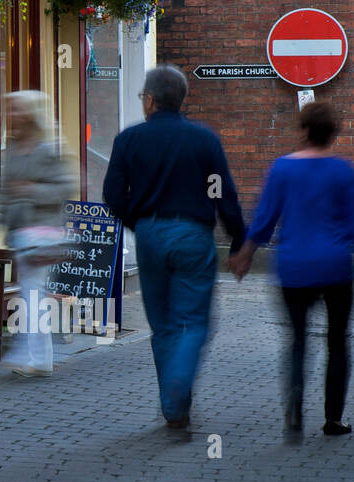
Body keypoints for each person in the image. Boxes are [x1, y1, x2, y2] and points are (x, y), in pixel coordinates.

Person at [102, 64, 246, 429]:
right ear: (180, 100)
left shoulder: (129, 140)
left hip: (150, 235)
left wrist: (141, 223)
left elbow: (113, 195)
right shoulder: (204, 140)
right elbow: (222, 193)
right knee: (195, 319)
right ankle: (179, 385)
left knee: (162, 324)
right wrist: (239, 242)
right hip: (194, 234)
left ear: (149, 100)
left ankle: (172, 401)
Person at [228, 103, 354, 437]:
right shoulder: (344, 171)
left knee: (296, 341)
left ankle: (294, 412)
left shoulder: (282, 169)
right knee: (337, 343)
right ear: (332, 134)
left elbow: (264, 220)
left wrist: (245, 255)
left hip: (293, 268)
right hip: (336, 267)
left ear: (304, 130)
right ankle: (333, 419)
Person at [0, 91, 76, 377]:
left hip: (43, 232)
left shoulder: (48, 148)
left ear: (30, 114)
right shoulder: (12, 148)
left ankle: (32, 354)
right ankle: (39, 357)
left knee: (32, 292)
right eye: (9, 110)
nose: (10, 115)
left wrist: (31, 190)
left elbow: (66, 187)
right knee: (33, 293)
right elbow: (3, 192)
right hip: (21, 232)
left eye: (15, 110)